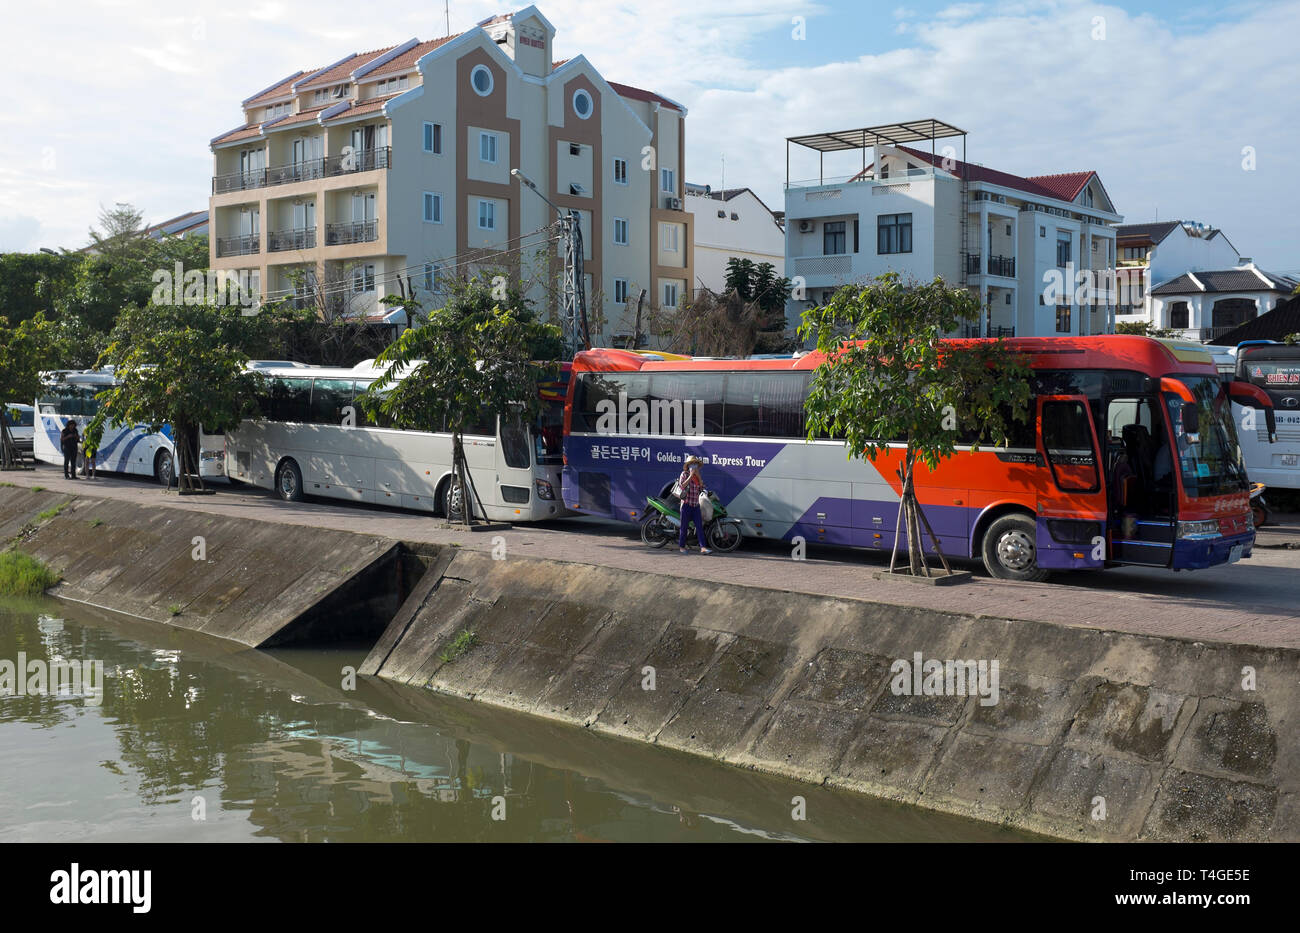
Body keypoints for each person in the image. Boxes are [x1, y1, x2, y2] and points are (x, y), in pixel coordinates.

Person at [676, 456, 711, 555]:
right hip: (686, 505)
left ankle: (703, 548)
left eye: (695, 464)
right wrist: (690, 476)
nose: (694, 466)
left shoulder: (697, 476)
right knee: (684, 527)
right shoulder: (684, 474)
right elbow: (682, 485)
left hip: (695, 506)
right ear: (688, 465)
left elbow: (701, 487)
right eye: (692, 464)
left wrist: (698, 477)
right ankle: (681, 547)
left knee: (699, 527)